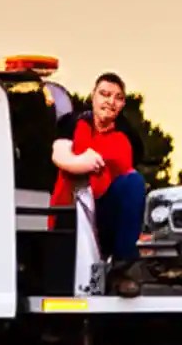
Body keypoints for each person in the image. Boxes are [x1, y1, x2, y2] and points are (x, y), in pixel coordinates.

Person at [50, 72, 149, 297]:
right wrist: (79, 161)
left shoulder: (126, 137)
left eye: (117, 97)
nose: (109, 101)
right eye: (104, 94)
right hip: (70, 214)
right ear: (93, 96)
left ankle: (122, 268)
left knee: (134, 183)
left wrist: (91, 160)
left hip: (102, 213)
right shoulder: (72, 123)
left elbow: (121, 169)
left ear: (122, 103)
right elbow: (59, 154)